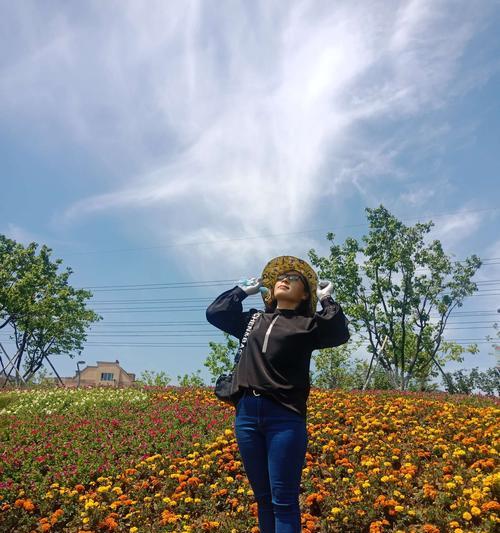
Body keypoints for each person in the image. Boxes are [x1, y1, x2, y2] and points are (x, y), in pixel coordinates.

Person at [206, 255, 350, 533]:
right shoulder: (253, 320)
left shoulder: (308, 325)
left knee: (283, 501)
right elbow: (216, 313)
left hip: (284, 416)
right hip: (247, 414)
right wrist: (241, 291)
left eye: (294, 278)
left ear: (305, 293)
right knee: (263, 500)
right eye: (280, 279)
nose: (284, 280)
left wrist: (326, 300)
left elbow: (338, 332)